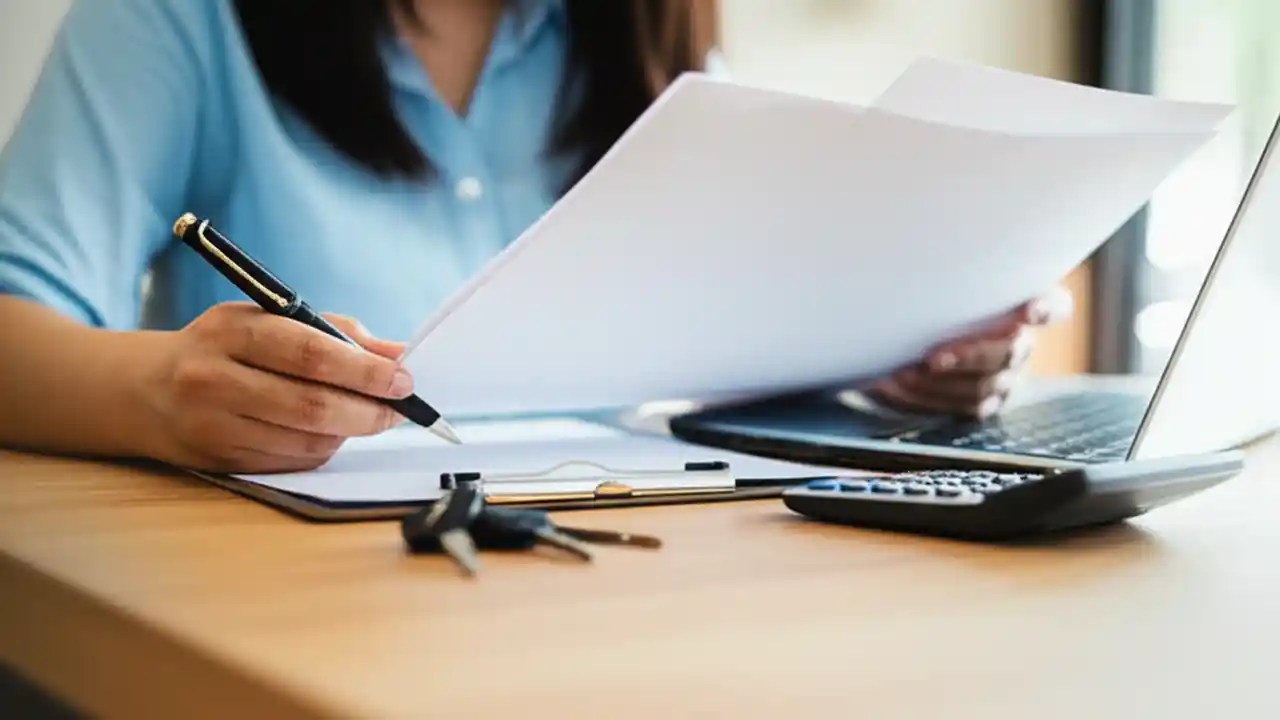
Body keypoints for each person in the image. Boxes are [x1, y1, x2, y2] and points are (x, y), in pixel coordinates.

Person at [0, 0, 1069, 473]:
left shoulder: (649, 36)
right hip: (299, 605)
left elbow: (721, 334)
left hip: (637, 575)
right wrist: (164, 394)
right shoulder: (176, 19)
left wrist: (886, 362)